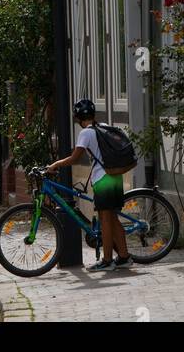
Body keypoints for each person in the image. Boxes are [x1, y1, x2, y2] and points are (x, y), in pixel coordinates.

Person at [47, 99, 131, 271]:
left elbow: (74, 158)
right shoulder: (104, 126)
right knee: (113, 219)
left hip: (103, 180)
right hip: (115, 176)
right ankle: (123, 257)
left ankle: (107, 261)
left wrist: (55, 165)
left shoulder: (86, 133)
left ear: (78, 118)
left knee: (105, 221)